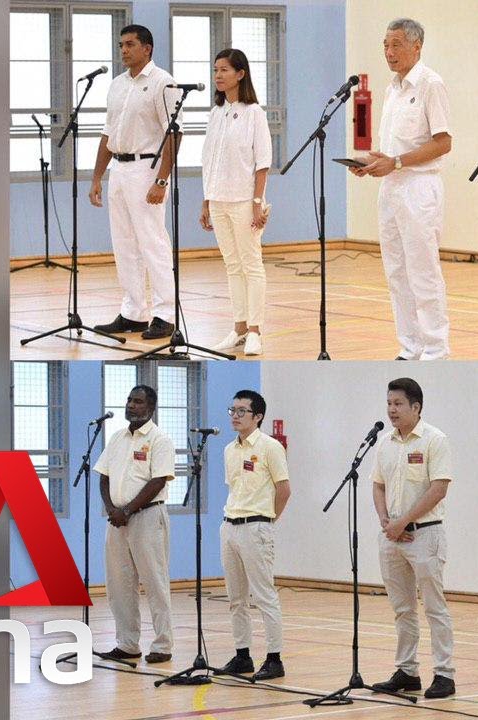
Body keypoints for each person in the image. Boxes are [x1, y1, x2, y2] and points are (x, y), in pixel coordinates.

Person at [350, 18, 453, 361]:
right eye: (385, 45)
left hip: (419, 187)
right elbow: (393, 147)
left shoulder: (430, 84)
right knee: (396, 271)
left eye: (396, 45)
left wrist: (395, 162)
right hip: (391, 187)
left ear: (416, 46)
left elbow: (443, 143)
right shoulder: (394, 88)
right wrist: (375, 162)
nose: (389, 52)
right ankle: (410, 345)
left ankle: (436, 349)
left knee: (422, 270)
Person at [370, 377, 456, 698]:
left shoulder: (435, 440)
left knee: (434, 606)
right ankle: (407, 670)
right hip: (391, 537)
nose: (392, 409)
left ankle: (445, 674)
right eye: (389, 403)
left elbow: (439, 488)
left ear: (416, 407)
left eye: (398, 404)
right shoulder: (385, 443)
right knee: (402, 608)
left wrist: (403, 521)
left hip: (425, 535)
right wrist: (385, 520)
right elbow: (377, 484)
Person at [90, 25, 177, 341]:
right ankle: (134, 312)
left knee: (152, 242)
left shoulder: (162, 82)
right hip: (119, 170)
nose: (124, 50)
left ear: (147, 48)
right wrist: (97, 176)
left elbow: (174, 133)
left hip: (147, 169)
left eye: (130, 44)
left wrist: (161, 180)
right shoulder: (116, 85)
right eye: (121, 45)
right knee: (124, 244)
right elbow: (108, 133)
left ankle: (166, 314)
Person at [199, 49, 273, 356]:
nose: (218, 75)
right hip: (218, 198)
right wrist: (206, 202)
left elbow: (262, 161)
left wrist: (257, 201)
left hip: (244, 200)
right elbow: (209, 161)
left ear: (240, 74)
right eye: (216, 69)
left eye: (225, 69)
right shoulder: (216, 113)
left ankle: (255, 330)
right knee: (232, 265)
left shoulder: (254, 113)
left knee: (251, 263)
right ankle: (239, 328)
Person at [95, 385, 175, 664]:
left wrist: (128, 509)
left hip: (148, 518)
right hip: (116, 521)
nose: (131, 405)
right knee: (119, 584)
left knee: (155, 582)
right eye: (129, 400)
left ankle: (163, 645)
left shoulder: (159, 439)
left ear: (150, 407)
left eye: (138, 401)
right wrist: (112, 509)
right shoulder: (117, 438)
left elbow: (159, 480)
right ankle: (127, 644)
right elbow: (103, 475)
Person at [215, 390, 291, 681]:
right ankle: (242, 655)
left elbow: (284, 490)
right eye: (232, 410)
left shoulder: (270, 447)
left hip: (257, 525)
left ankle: (274, 659)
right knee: (235, 598)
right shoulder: (229, 450)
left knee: (264, 595)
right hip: (230, 525)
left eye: (242, 411)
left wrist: (267, 520)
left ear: (257, 416)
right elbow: (234, 488)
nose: (235, 415)